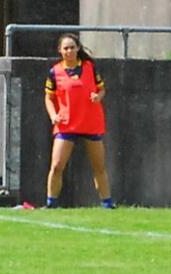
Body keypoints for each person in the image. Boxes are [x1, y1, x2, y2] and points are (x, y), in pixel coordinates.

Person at [43, 32, 113, 209]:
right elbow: (48, 97)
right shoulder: (55, 72)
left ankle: (107, 203)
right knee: (57, 165)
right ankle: (51, 203)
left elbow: (101, 89)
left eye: (72, 47)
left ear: (78, 48)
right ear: (60, 50)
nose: (69, 51)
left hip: (91, 122)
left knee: (99, 166)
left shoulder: (90, 67)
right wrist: (53, 115)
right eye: (65, 48)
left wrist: (98, 96)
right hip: (67, 124)